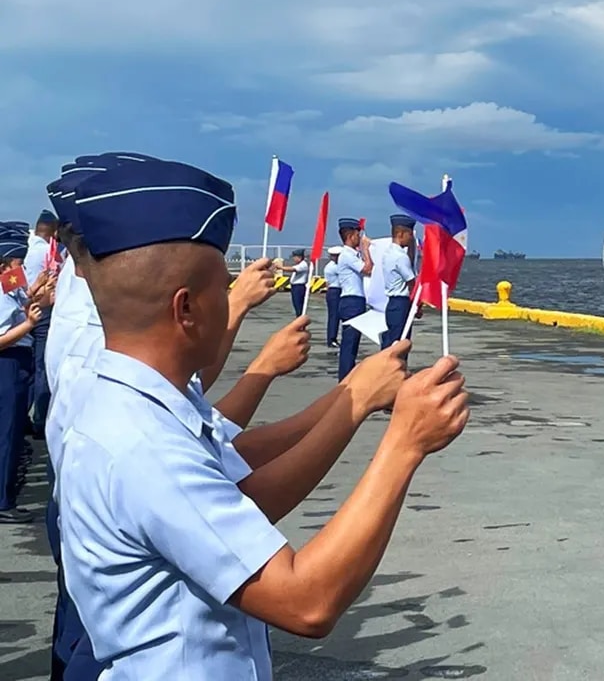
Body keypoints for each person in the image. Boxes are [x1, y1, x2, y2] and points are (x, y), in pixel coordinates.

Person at [58, 157, 469, 679]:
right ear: (186, 310)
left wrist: (353, 398)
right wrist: (404, 444)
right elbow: (308, 602)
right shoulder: (141, 444)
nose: (235, 298)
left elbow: (242, 493)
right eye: (221, 288)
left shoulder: (140, 403)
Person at [0, 222, 39, 524]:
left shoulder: (9, 290)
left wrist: (37, 294)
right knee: (7, 434)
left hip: (18, 362)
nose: (21, 269)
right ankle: (3, 501)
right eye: (18, 263)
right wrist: (28, 325)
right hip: (8, 363)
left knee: (11, 433)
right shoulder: (1, 294)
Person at [23, 208, 57, 438]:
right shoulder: (46, 251)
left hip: (24, 308)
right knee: (42, 365)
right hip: (43, 310)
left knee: (30, 365)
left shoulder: (23, 248)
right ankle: (40, 419)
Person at [335, 218, 373, 380]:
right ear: (351, 236)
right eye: (358, 235)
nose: (359, 238)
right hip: (352, 301)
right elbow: (368, 268)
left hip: (353, 300)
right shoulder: (347, 256)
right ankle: (345, 377)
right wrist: (366, 250)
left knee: (352, 342)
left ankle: (347, 374)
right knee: (350, 343)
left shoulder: (350, 255)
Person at [380, 214, 417, 349]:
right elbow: (412, 282)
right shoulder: (400, 257)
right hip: (401, 304)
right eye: (409, 234)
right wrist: (416, 306)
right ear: (401, 234)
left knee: (391, 343)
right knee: (401, 346)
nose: (411, 237)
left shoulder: (388, 253)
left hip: (392, 304)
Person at [279, 249, 310, 317]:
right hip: (295, 287)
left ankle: (300, 321)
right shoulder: (299, 264)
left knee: (299, 306)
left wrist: (281, 267)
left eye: (295, 257)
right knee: (296, 305)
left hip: (299, 287)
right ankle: (298, 319)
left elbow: (292, 269)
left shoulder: (303, 265)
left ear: (299, 257)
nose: (294, 259)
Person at [322, 246, 342, 348]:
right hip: (335, 291)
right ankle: (332, 339)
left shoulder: (330, 266)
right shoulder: (334, 267)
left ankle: (332, 338)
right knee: (334, 316)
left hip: (334, 290)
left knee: (335, 316)